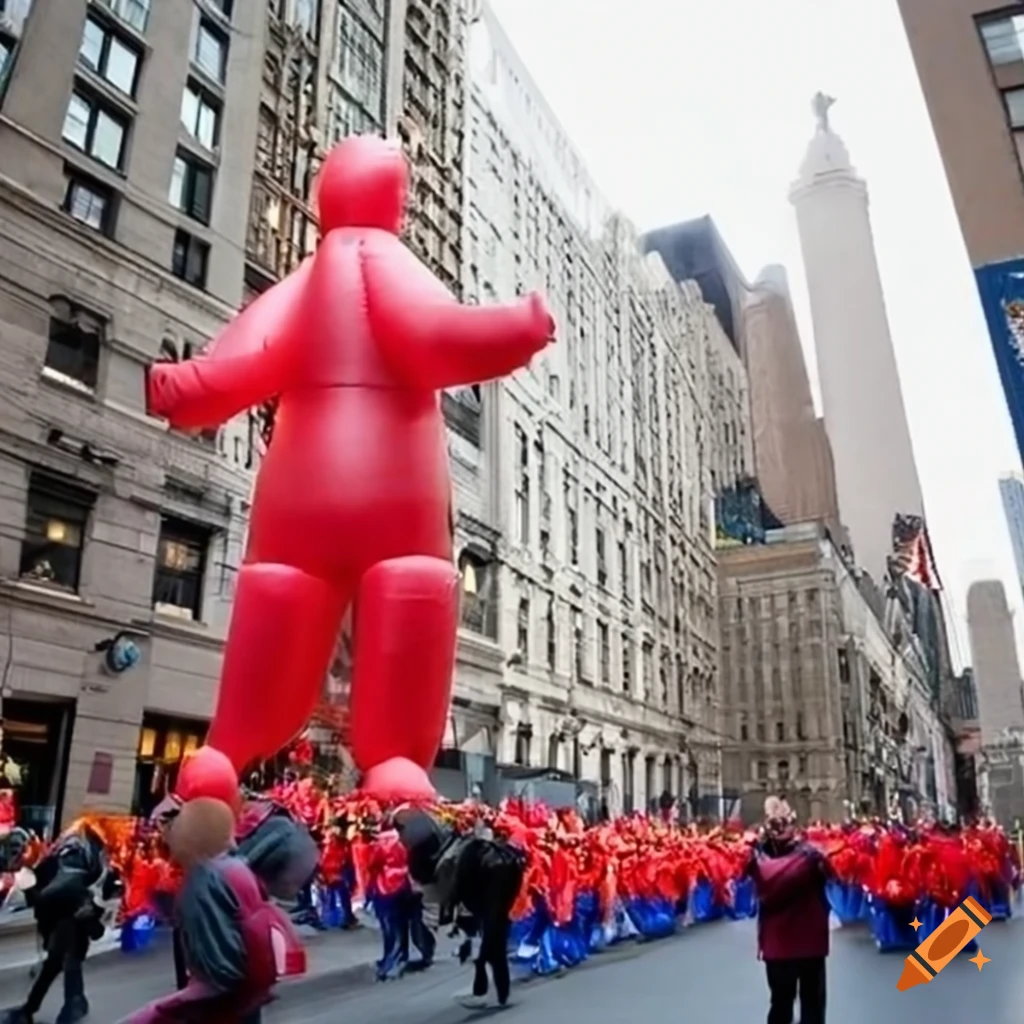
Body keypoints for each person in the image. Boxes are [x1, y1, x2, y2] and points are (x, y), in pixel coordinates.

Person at [121, 795, 305, 1024]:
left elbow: (221, 977)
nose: (165, 837)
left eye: (171, 827)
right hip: (245, 1002)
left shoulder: (206, 880)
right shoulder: (236, 868)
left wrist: (158, 1014)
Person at [393, 807, 526, 1008]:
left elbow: (439, 894)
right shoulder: (435, 836)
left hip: (485, 882)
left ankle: (486, 987)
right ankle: (497, 990)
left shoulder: (428, 859)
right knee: (494, 935)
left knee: (491, 936)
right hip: (494, 877)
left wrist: (449, 918)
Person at [1, 824, 121, 1024]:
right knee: (58, 960)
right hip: (66, 913)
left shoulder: (66, 865)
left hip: (76, 912)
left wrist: (92, 922)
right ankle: (70, 1003)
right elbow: (42, 904)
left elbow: (58, 899)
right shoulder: (45, 867)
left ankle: (54, 1006)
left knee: (64, 958)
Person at [746, 797, 831, 1024]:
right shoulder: (811, 857)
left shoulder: (755, 857)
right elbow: (832, 876)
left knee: (782, 1003)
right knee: (810, 1003)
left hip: (779, 943)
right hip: (807, 941)